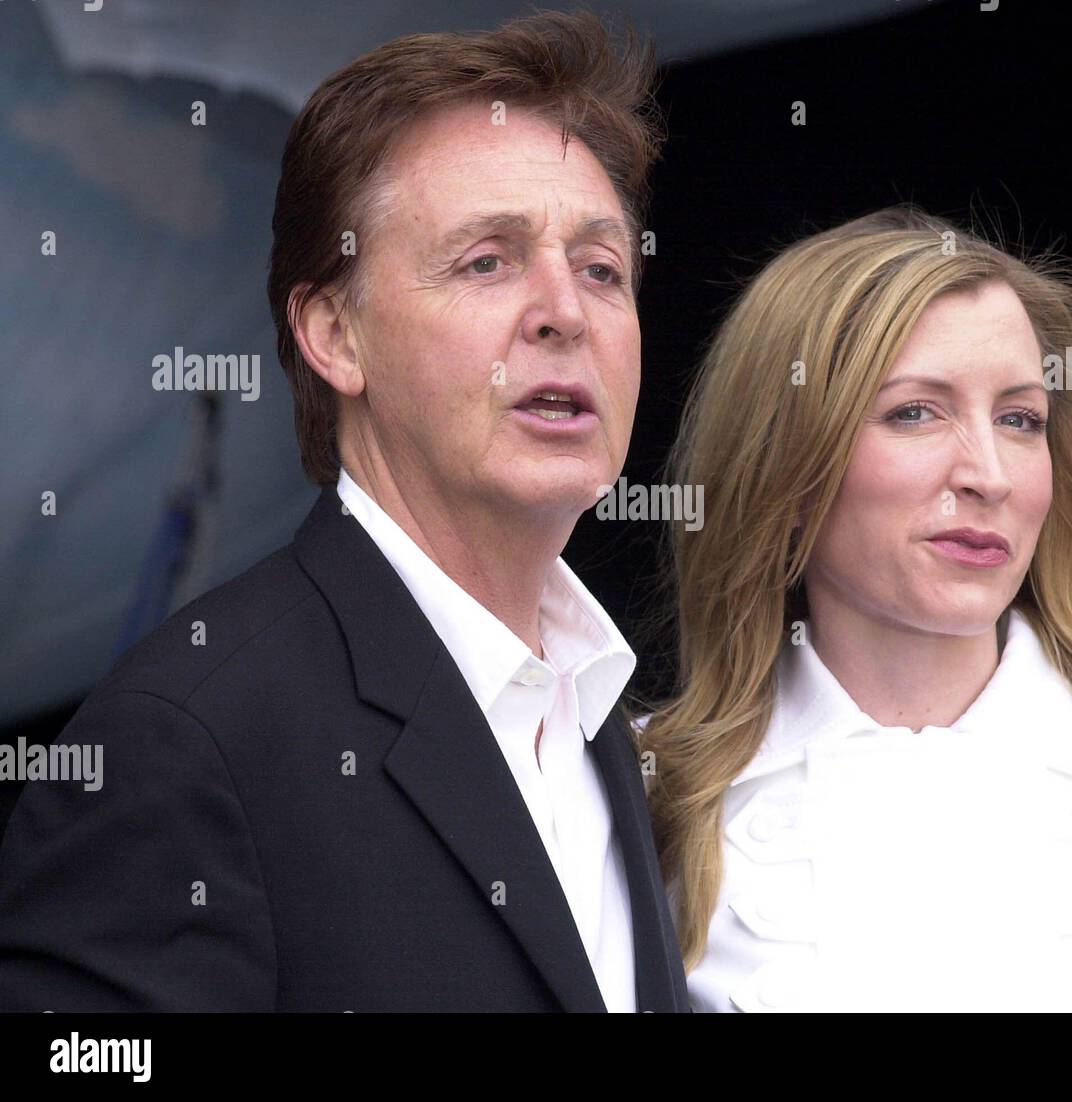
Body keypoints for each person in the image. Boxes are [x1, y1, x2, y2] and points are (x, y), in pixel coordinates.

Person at [0, 11, 688, 1012]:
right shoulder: (181, 742)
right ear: (334, 334)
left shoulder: (601, 721)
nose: (565, 311)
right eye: (487, 261)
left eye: (601, 269)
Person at [640, 205, 1072, 1012]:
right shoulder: (642, 803)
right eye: (914, 412)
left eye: (1021, 420)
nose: (988, 474)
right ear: (785, 463)